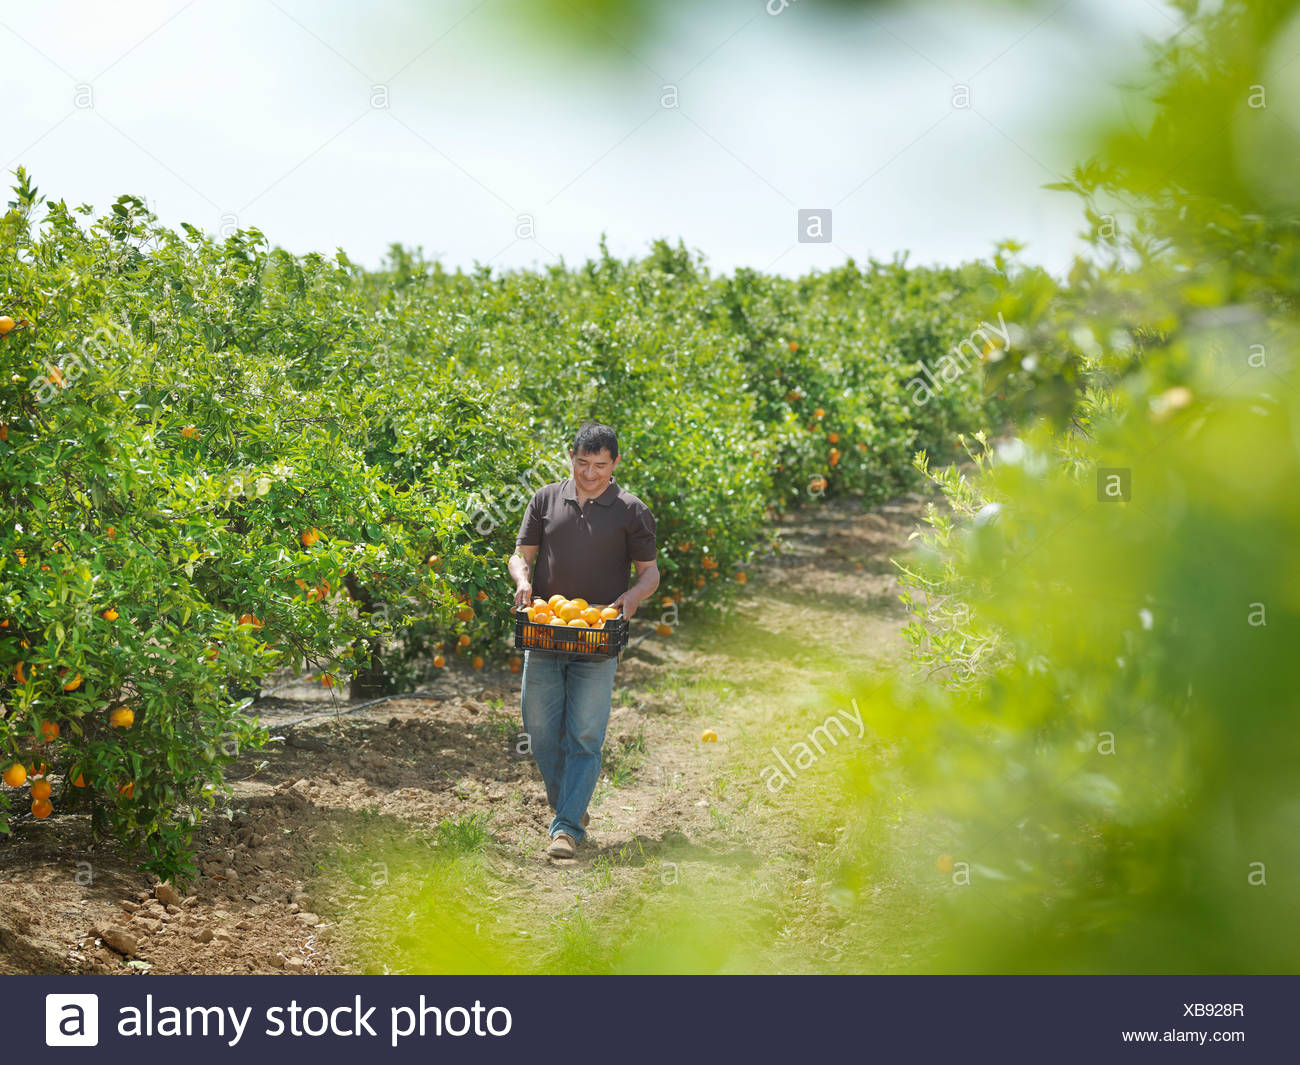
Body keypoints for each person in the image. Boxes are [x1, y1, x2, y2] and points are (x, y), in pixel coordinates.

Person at [508, 421, 659, 859]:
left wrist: (632, 597)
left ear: (615, 464)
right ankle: (570, 805)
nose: (589, 473)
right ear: (570, 457)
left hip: (598, 636)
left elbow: (650, 572)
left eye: (599, 465)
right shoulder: (545, 499)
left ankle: (567, 826)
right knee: (538, 731)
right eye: (581, 463)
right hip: (546, 631)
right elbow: (522, 555)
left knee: (585, 735)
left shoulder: (631, 511)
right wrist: (521, 580)